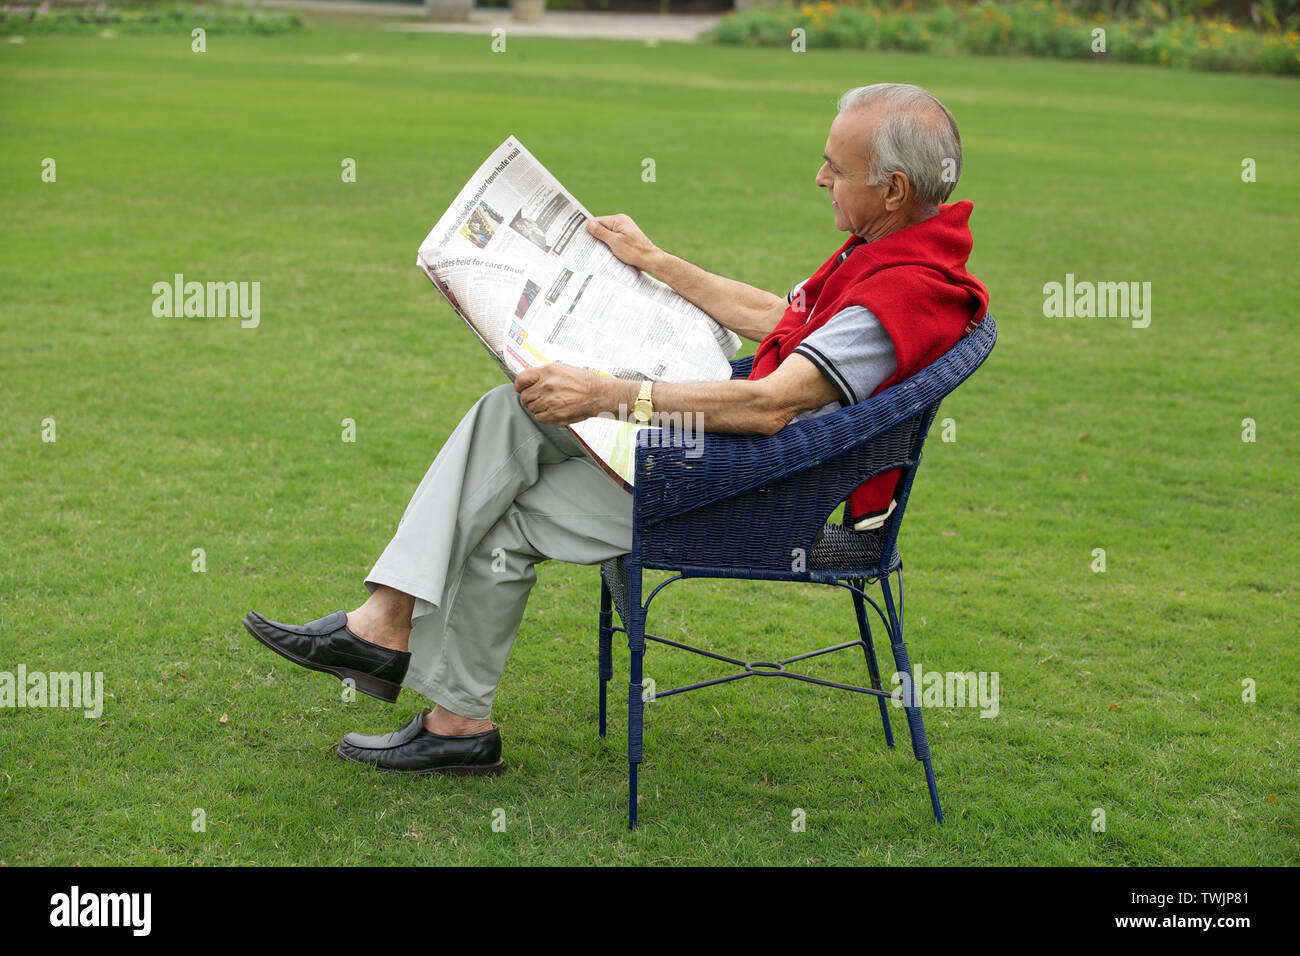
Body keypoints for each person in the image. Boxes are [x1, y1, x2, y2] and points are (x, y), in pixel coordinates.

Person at [242, 82, 990, 775]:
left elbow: (770, 405)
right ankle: (388, 628)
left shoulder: (903, 291)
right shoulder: (897, 253)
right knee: (513, 411)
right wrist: (655, 262)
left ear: (892, 188)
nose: (820, 179)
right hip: (728, 455)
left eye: (835, 167)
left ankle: (450, 719)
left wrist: (606, 393)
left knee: (506, 511)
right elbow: (780, 319)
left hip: (743, 489)